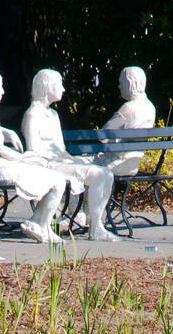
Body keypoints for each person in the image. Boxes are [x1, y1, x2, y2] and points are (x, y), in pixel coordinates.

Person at [0, 70, 66, 244]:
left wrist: (7, 132)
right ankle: (39, 224)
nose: (3, 92)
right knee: (56, 179)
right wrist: (21, 158)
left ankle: (40, 224)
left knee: (54, 176)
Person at [21, 68, 118, 242]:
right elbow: (34, 152)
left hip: (61, 161)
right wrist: (66, 162)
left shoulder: (53, 115)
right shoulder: (32, 115)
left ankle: (97, 226)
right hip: (47, 165)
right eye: (59, 84)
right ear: (46, 86)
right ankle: (94, 229)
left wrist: (73, 161)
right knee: (99, 174)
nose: (63, 89)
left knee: (107, 174)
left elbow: (60, 148)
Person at [100, 66, 157, 175]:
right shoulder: (151, 107)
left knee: (80, 166)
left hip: (115, 162)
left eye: (121, 82)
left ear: (129, 83)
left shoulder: (128, 108)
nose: (119, 86)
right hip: (133, 163)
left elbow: (103, 135)